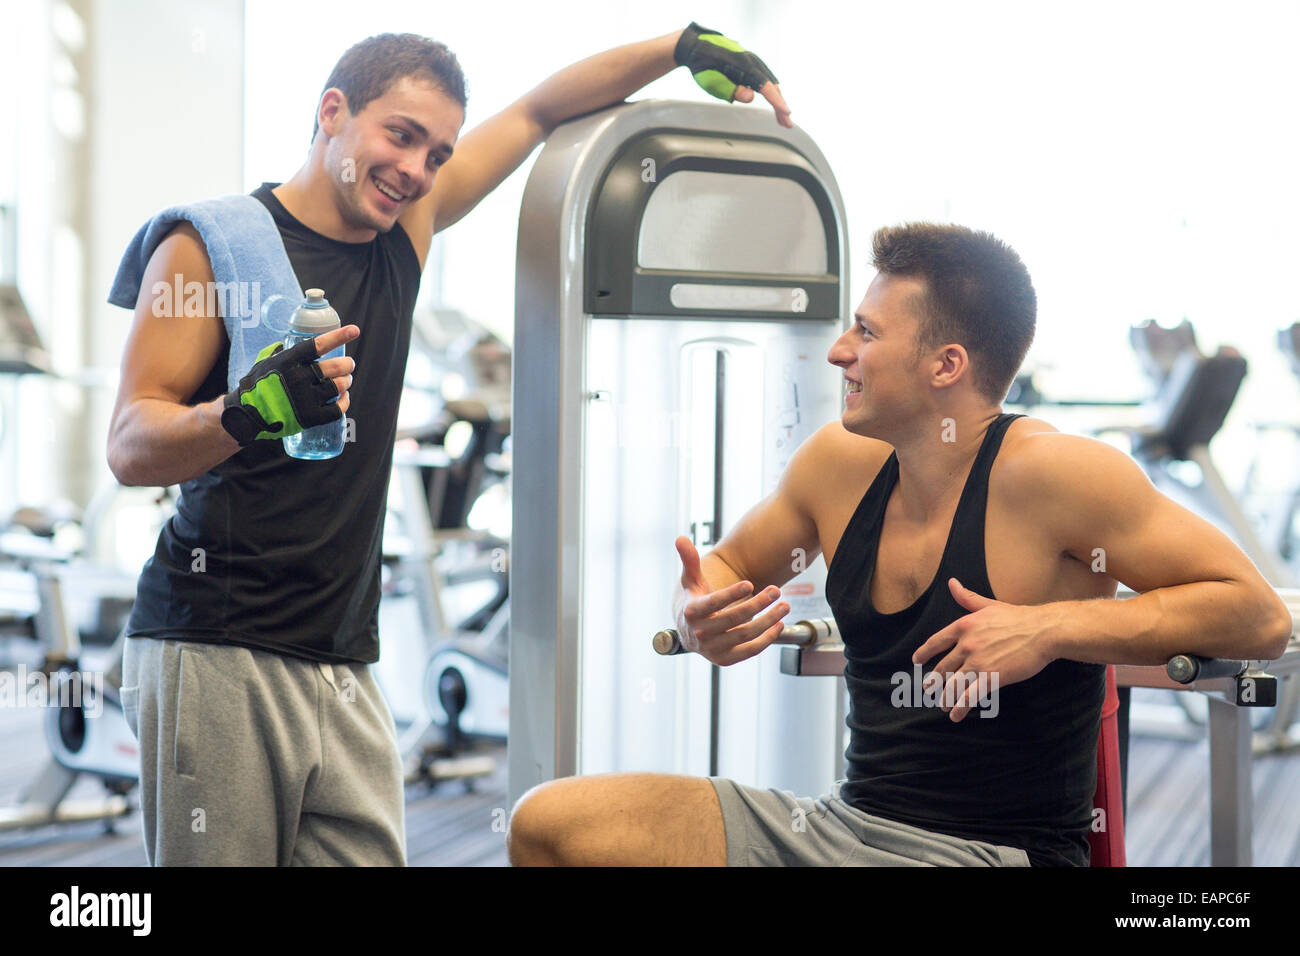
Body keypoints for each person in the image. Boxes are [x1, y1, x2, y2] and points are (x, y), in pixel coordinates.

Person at [106, 23, 791, 866]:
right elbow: (131, 443)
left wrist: (683, 46)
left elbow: (542, 107)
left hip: (344, 657)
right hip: (216, 647)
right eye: (400, 135)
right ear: (333, 113)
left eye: (438, 153)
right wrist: (241, 414)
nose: (418, 170)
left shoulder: (406, 229)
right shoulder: (209, 247)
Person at [506, 222, 1293, 867]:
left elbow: (1257, 615)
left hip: (995, 854)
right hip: (841, 833)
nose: (839, 351)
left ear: (946, 364)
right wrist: (698, 611)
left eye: (868, 333)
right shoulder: (837, 466)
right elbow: (729, 567)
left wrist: (1050, 629)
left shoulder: (1058, 476)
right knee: (551, 825)